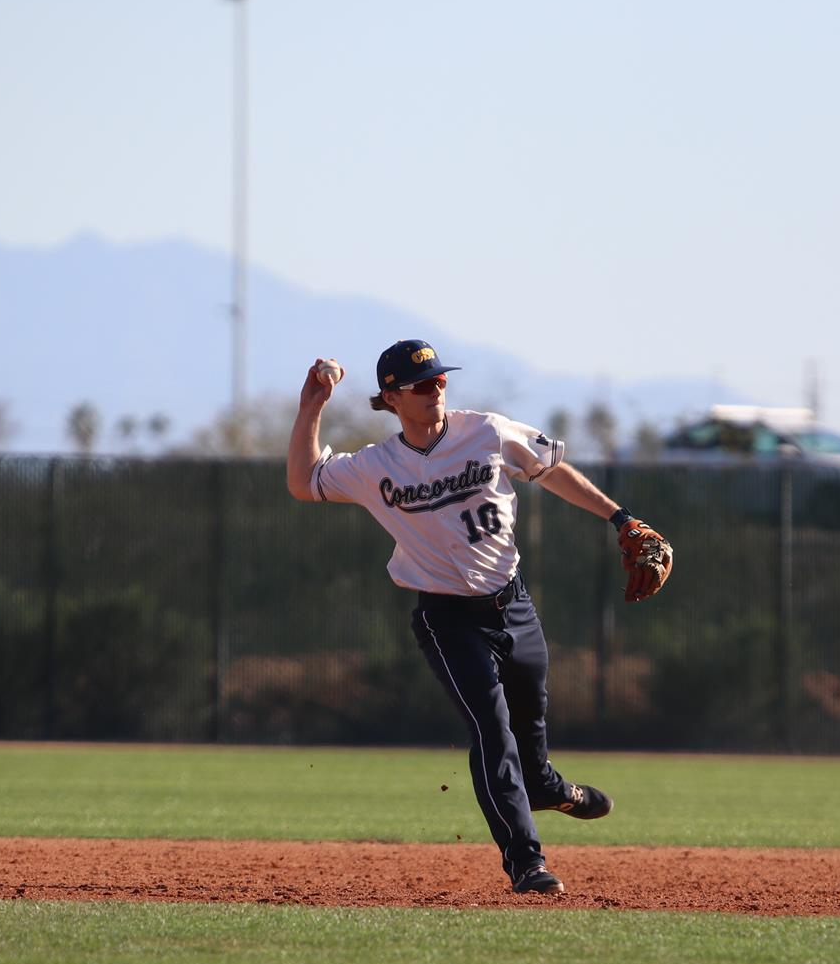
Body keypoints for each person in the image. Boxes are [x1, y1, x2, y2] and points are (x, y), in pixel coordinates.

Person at [286, 340, 672, 895]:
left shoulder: (487, 432)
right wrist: (312, 406)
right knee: (493, 733)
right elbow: (304, 482)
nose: (435, 389)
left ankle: (546, 786)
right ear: (391, 397)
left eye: (439, 379)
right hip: (448, 619)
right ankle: (526, 861)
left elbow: (550, 469)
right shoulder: (377, 466)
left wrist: (621, 518)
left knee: (530, 743)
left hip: (512, 605)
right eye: (420, 385)